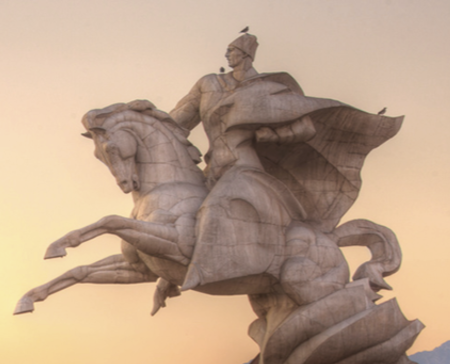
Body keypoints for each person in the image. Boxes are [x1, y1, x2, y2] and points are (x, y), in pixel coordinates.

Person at [166, 33, 400, 295]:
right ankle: (167, 274)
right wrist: (143, 113)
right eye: (227, 51)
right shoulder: (208, 84)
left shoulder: (267, 88)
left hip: (245, 166)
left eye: (232, 50)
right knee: (181, 214)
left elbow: (304, 126)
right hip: (213, 168)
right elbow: (176, 121)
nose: (226, 55)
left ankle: (201, 272)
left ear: (246, 54)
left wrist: (266, 135)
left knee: (217, 206)